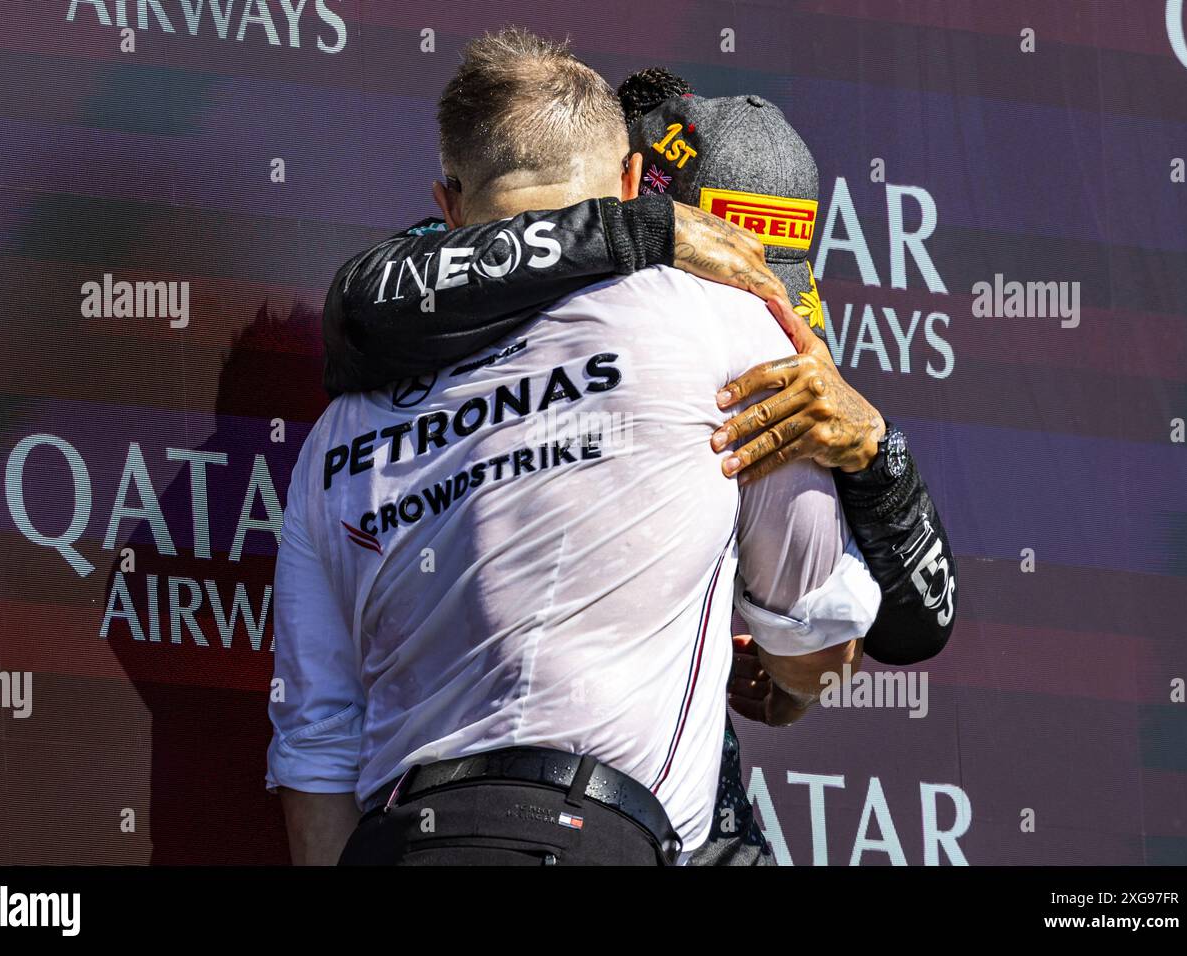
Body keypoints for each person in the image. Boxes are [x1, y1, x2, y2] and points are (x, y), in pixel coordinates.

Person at [317, 62, 959, 865]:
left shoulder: (757, 352)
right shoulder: (450, 268)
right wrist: (635, 236)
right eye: (726, 260)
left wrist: (876, 457)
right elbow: (355, 308)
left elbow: (913, 628)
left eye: (774, 281)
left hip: (651, 796)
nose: (758, 304)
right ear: (632, 187)